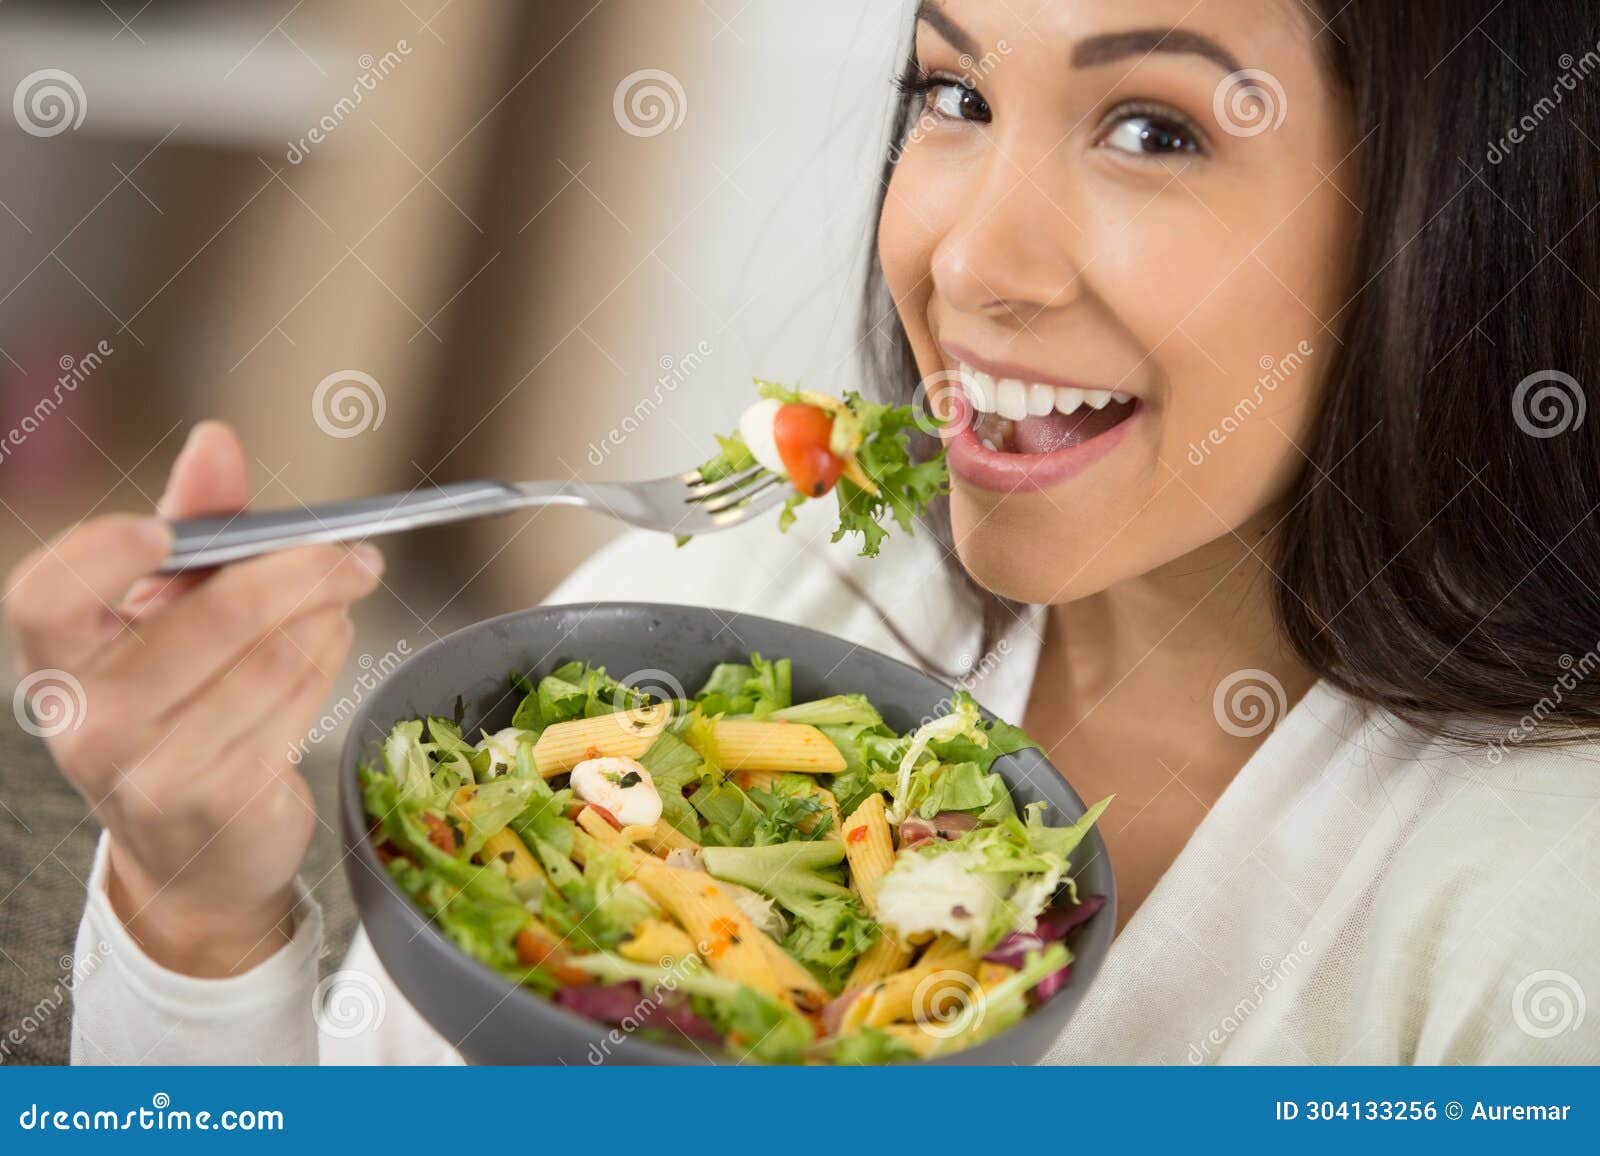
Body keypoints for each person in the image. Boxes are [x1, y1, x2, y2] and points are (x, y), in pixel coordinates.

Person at [11, 0, 1599, 1065]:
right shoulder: (726, 602)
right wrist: (195, 907)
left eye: (1153, 130)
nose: (970, 259)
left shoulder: (1533, 921)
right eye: (955, 94)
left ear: (1454, 208)